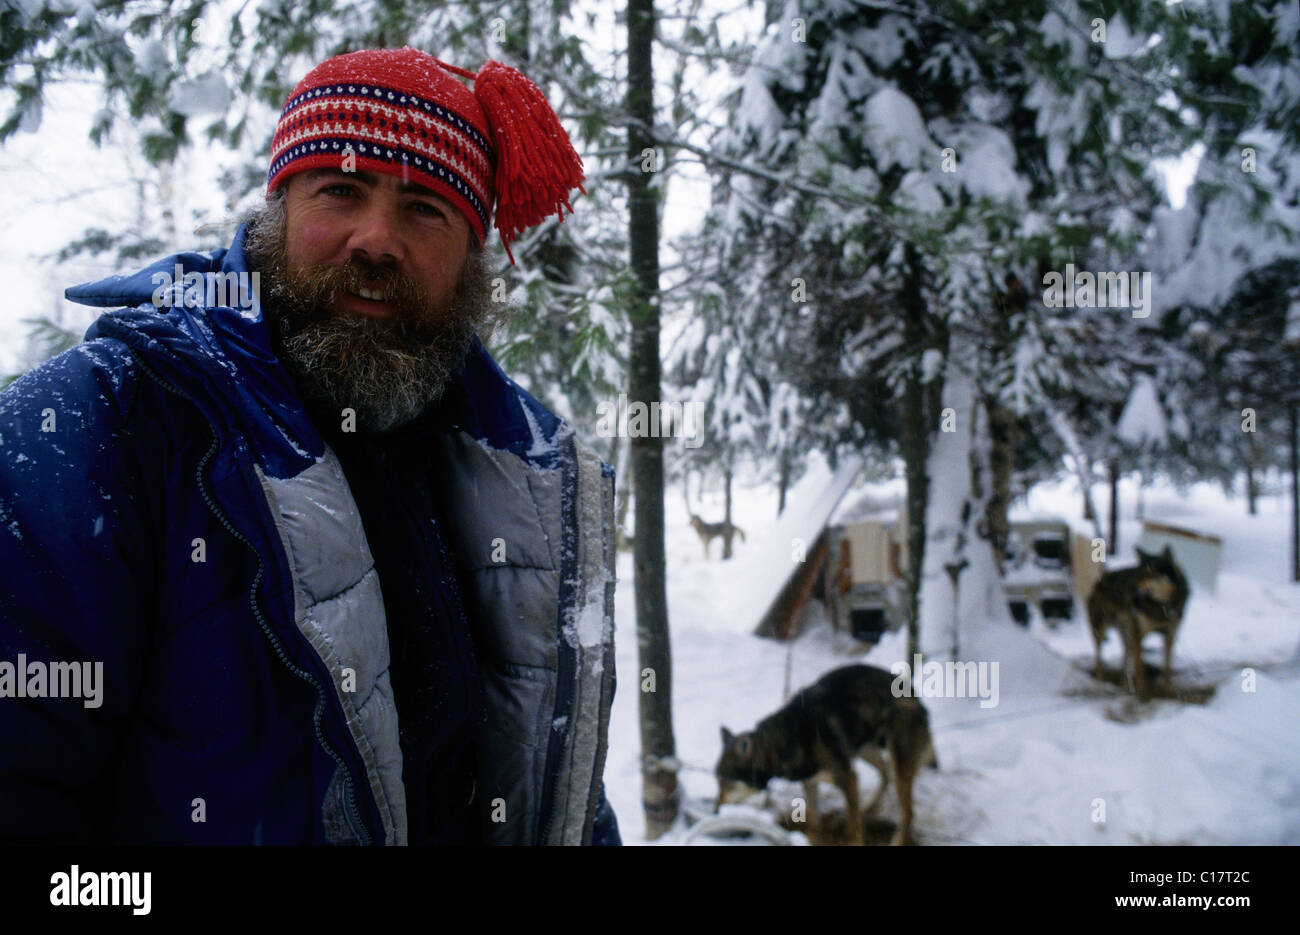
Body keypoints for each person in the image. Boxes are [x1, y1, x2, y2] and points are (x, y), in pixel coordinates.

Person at [0, 47, 620, 846]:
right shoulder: (102, 428)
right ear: (278, 210)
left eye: (426, 207)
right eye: (343, 189)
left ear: (471, 253)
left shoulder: (526, 479)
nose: (376, 240)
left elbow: (558, 792)